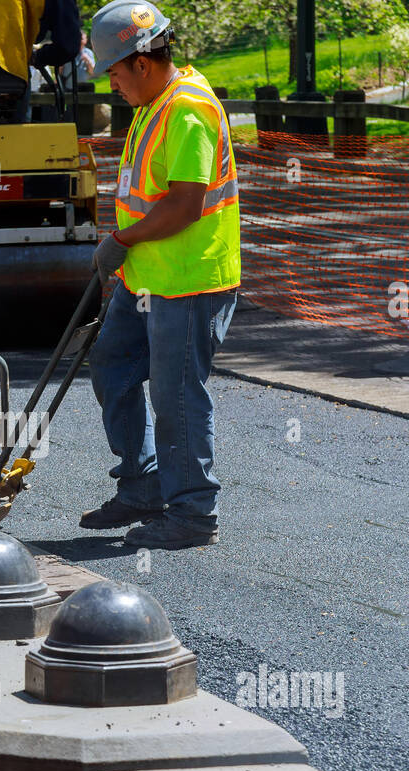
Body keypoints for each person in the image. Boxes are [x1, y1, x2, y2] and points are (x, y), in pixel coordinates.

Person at [79, 0, 240, 551]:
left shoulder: (188, 110)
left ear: (141, 63)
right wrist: (124, 259)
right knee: (112, 363)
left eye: (115, 73)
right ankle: (144, 484)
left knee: (176, 397)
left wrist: (120, 242)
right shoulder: (155, 102)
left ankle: (193, 513)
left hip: (190, 280)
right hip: (147, 277)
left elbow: (185, 206)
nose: (112, 85)